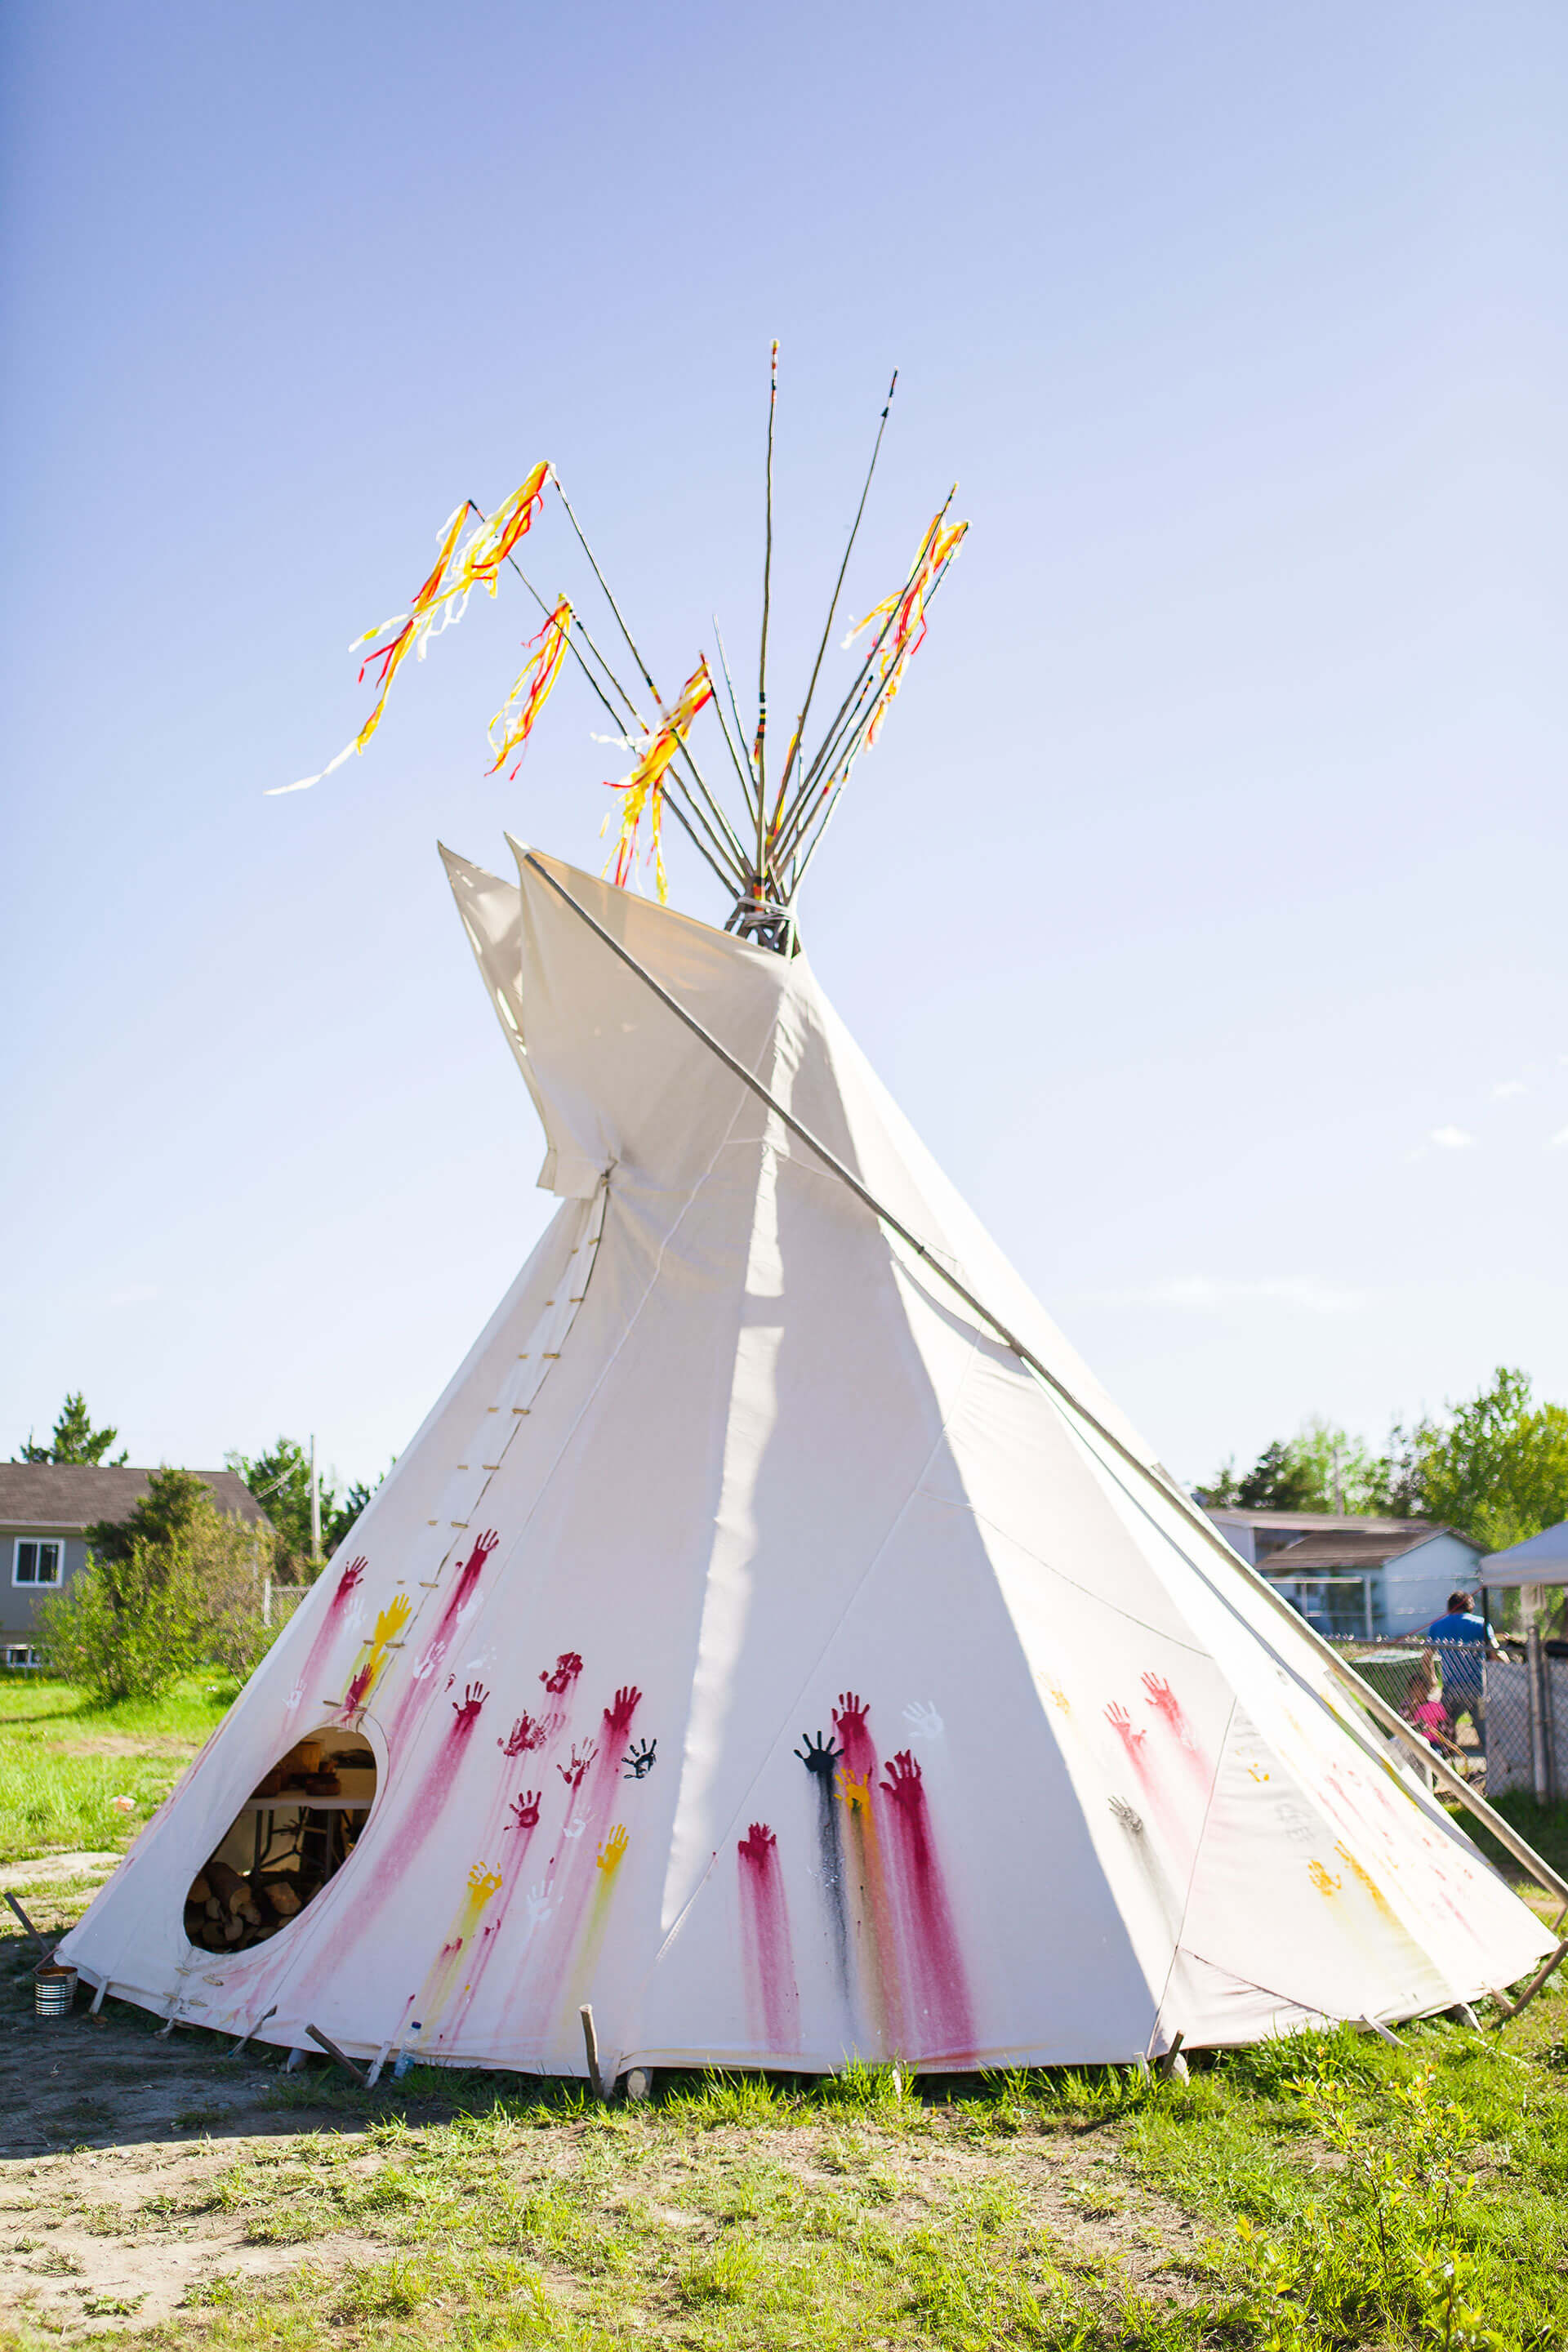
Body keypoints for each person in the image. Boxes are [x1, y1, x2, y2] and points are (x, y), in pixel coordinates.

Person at [1426, 1590, 1503, 1751]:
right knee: (1486, 1733)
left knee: (1443, 1731)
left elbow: (1426, 1657)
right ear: (1470, 1607)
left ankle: (1439, 1762)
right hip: (1477, 1688)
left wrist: (1432, 1677)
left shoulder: (1437, 1626)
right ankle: (1494, 1768)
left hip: (1450, 1688)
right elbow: (1495, 1654)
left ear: (1450, 1608)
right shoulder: (1481, 1624)